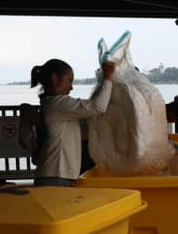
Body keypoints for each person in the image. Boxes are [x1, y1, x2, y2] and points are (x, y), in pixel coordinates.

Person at [31, 58, 115, 186]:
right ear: (55, 78)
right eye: (69, 81)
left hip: (56, 175)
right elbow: (98, 106)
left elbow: (90, 118)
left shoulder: (53, 105)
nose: (71, 87)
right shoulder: (58, 104)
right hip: (55, 176)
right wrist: (108, 78)